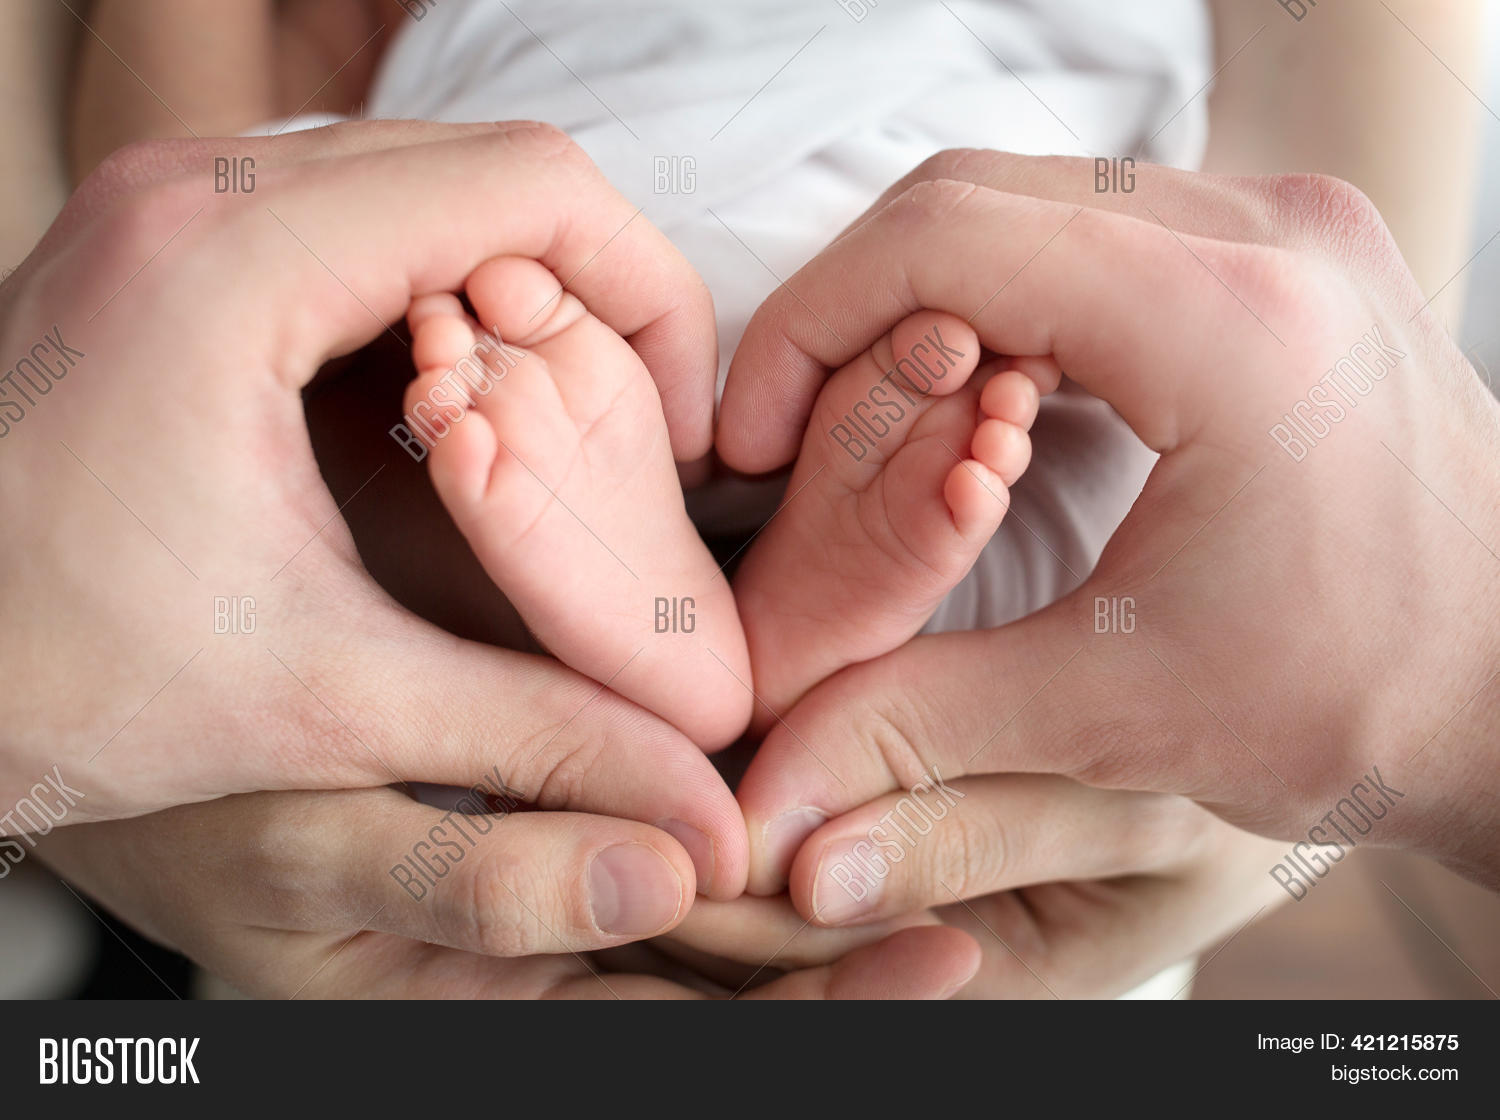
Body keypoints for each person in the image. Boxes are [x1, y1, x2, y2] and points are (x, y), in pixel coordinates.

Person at [6, 0, 1490, 998]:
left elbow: (151, 192)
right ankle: (760, 627)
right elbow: (1335, 280)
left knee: (368, 441)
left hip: (539, 245)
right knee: (1097, 481)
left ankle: (601, 609)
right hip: (1023, 279)